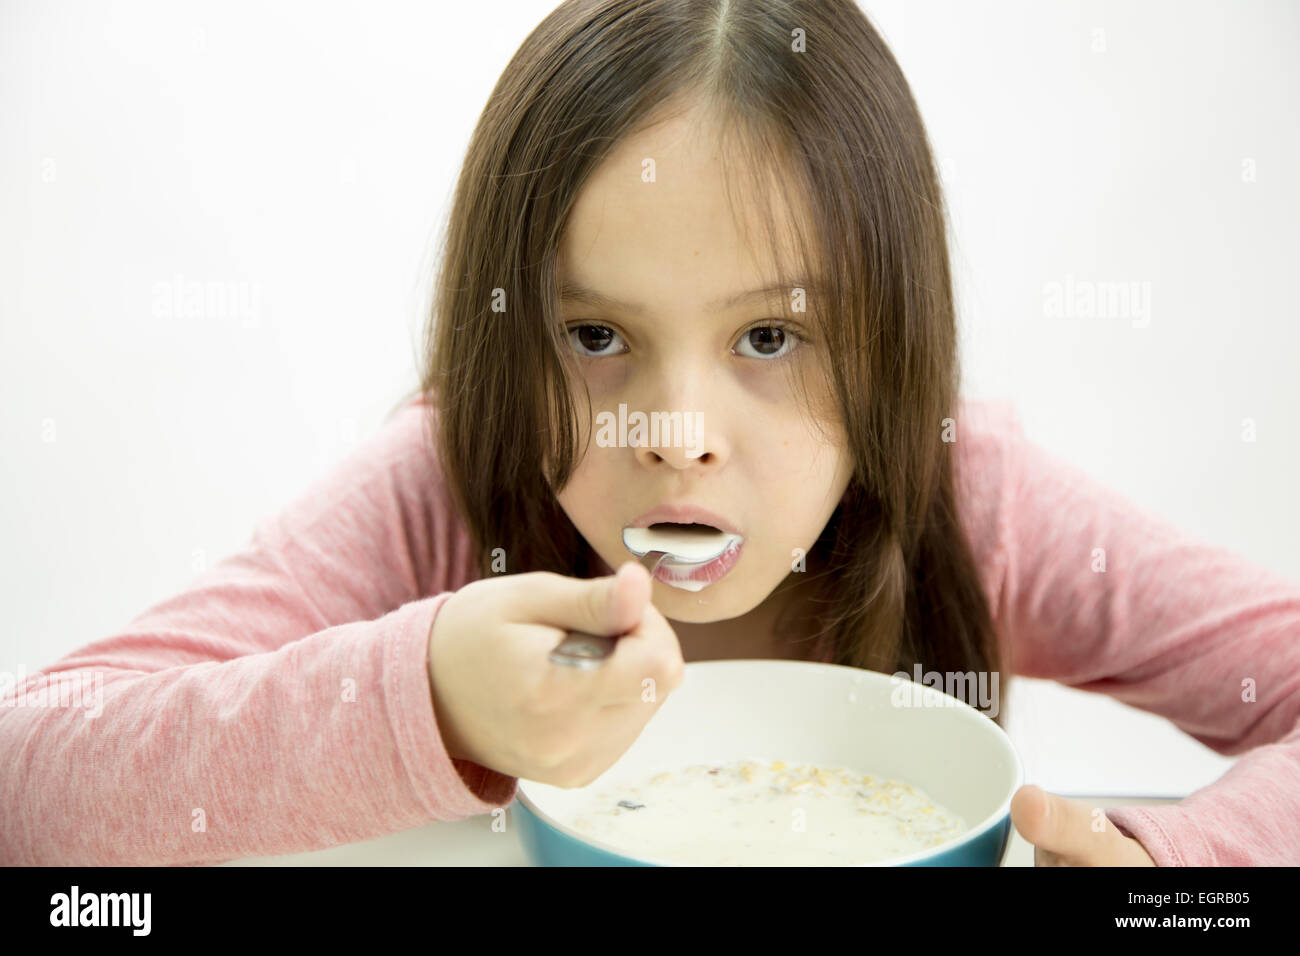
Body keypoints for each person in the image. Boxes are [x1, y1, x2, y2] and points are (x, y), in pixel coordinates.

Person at [3, 0, 1297, 867]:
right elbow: (32, 776)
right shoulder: (447, 491)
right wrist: (425, 690)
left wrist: (1167, 869)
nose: (677, 434)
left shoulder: (969, 496)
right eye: (598, 337)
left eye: (771, 340)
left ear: (892, 346)